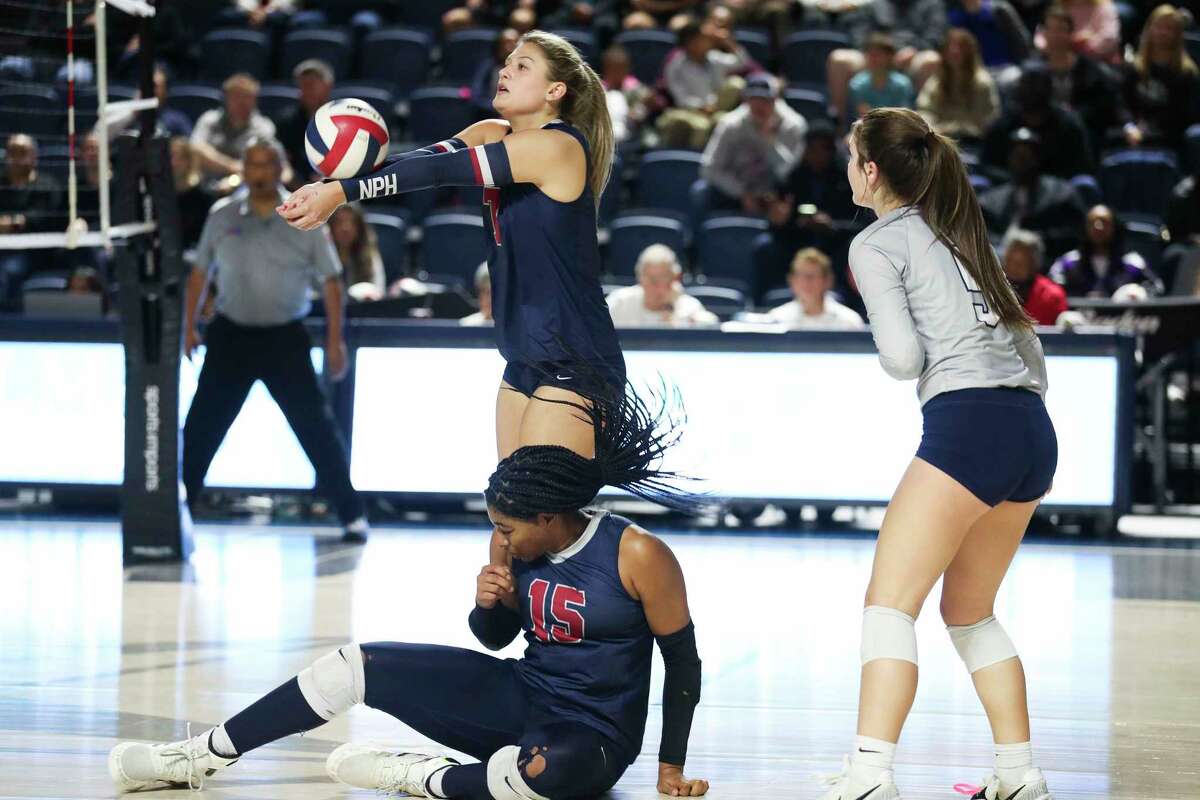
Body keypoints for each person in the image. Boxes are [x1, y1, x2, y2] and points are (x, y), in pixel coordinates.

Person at [108, 381, 711, 800]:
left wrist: (670, 765)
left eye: (507, 527)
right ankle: (200, 755)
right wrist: (489, 604)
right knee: (354, 664)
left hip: (594, 735)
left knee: (545, 776)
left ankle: (424, 779)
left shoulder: (637, 553)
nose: (498, 537)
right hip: (522, 696)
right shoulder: (510, 543)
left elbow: (682, 663)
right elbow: (496, 641)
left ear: (550, 516)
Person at [819, 107, 1057, 800]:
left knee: (889, 605)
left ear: (871, 170)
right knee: (971, 612)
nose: (845, 168)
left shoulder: (876, 242)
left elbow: (902, 357)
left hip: (968, 423)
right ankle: (1019, 774)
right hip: (1030, 425)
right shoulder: (960, 230)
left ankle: (869, 775)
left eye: (850, 156)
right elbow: (1029, 349)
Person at [278, 31, 627, 463]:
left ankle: (627, 537)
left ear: (555, 90)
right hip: (523, 357)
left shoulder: (557, 146)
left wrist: (342, 195)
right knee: (509, 518)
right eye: (508, 62)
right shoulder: (490, 132)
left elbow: (442, 172)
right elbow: (417, 163)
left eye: (523, 66)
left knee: (546, 518)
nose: (505, 70)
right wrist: (329, 184)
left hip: (577, 358)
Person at [184, 137, 368, 542]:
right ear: (244, 169)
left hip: (285, 340)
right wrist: (189, 325)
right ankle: (179, 510)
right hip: (230, 336)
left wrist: (335, 342)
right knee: (200, 429)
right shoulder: (222, 213)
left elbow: (332, 281)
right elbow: (200, 272)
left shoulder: (306, 214)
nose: (260, 172)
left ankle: (352, 514)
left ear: (281, 167)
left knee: (316, 429)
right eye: (253, 164)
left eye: (268, 164)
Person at [698, 72, 808, 215]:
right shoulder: (731, 124)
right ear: (745, 100)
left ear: (776, 99)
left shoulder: (793, 125)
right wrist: (743, 193)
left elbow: (789, 174)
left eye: (764, 99)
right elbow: (709, 168)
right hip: (738, 190)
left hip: (777, 193)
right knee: (702, 191)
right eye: (753, 99)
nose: (759, 105)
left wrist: (769, 141)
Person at [978, 127, 1086, 262]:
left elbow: (1074, 233)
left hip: (1049, 265)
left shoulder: (1061, 194)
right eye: (1017, 155)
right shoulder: (991, 200)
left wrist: (1037, 241)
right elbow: (981, 236)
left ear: (1038, 157)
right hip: (1000, 266)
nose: (1021, 160)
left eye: (1027, 155)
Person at [1032, 4, 1123, 154]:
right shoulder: (1033, 71)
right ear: (1044, 33)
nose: (1056, 35)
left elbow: (1102, 104)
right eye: (1052, 30)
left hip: (1081, 131)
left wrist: (1073, 116)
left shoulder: (1089, 69)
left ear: (1070, 34)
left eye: (1061, 30)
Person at [656, 19, 750, 149]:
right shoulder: (675, 66)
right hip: (691, 111)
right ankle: (697, 160)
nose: (709, 41)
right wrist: (701, 107)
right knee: (702, 126)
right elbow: (680, 98)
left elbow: (742, 62)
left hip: (717, 108)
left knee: (736, 84)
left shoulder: (714, 57)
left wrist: (728, 42)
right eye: (703, 38)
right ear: (691, 43)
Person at [191, 73, 290, 192]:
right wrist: (232, 166)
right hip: (204, 185)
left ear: (255, 99)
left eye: (247, 96)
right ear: (226, 98)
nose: (242, 102)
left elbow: (269, 165)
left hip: (246, 188)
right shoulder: (209, 119)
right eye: (236, 96)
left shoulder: (264, 126)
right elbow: (196, 148)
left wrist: (234, 180)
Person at [1118, 4, 1198, 150]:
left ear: (1178, 34)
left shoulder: (1187, 73)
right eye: (1158, 27)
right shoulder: (1134, 68)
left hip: (1169, 135)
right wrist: (1129, 126)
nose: (1163, 32)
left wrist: (1148, 129)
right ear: (1149, 30)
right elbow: (1122, 102)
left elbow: (1184, 113)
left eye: (1169, 28)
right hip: (1134, 132)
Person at [1048, 204, 1161, 296]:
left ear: (1115, 228)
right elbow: (1052, 289)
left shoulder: (1133, 263)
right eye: (1092, 222)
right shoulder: (1068, 263)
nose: (1098, 227)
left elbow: (1155, 288)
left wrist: (1137, 295)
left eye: (1104, 222)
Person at [917, 28, 1001, 142]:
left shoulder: (981, 82)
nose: (954, 51)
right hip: (939, 139)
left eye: (960, 47)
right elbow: (926, 109)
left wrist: (955, 129)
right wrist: (932, 128)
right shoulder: (937, 80)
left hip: (972, 141)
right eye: (950, 47)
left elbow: (985, 120)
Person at [607, 244, 719, 328]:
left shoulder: (688, 306)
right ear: (640, 279)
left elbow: (712, 326)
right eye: (653, 280)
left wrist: (671, 310)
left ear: (675, 279)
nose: (659, 287)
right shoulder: (620, 301)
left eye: (665, 279)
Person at [766, 247, 865, 329]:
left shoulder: (850, 322)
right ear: (791, 281)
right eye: (801, 275)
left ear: (827, 281)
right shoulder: (776, 319)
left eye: (813, 276)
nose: (806, 281)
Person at [275, 59, 334, 189]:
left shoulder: (344, 118)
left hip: (337, 187)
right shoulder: (287, 121)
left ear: (327, 86)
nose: (307, 89)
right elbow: (282, 156)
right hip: (296, 187)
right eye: (303, 85)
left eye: (312, 84)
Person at [1002, 229, 1068, 325]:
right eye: (1010, 260)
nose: (1014, 267)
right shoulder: (989, 291)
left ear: (1034, 263)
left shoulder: (1052, 295)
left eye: (1021, 262)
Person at [848, 33, 917, 123]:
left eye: (878, 55)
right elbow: (863, 115)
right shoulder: (857, 84)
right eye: (870, 54)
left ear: (889, 57)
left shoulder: (902, 84)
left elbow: (904, 114)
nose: (873, 59)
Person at [328, 204, 386, 301]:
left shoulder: (369, 253)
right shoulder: (320, 253)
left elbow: (379, 289)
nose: (345, 228)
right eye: (339, 222)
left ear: (359, 227)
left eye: (351, 222)